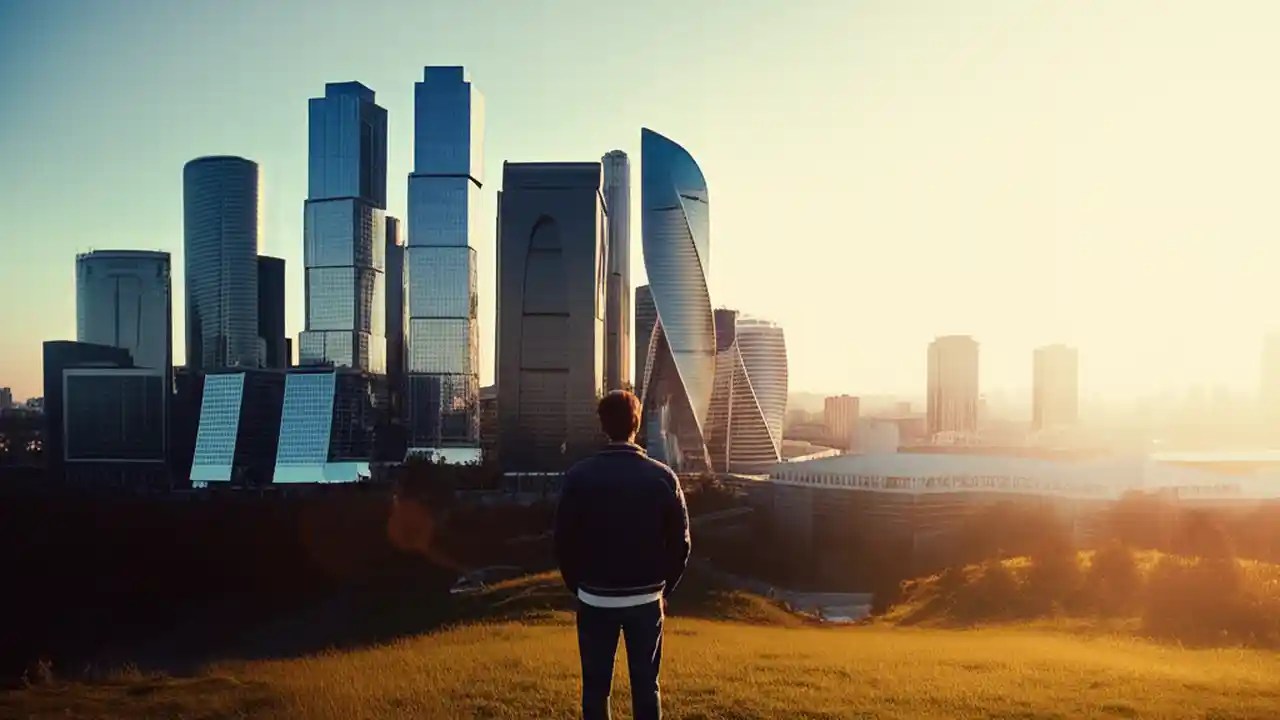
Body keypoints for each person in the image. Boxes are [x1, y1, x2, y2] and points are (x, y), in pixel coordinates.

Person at [554, 390, 692, 720]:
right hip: (645, 598)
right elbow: (681, 544)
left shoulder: (579, 476)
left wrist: (581, 587)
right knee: (647, 686)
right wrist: (663, 588)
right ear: (637, 423)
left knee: (595, 687)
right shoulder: (663, 477)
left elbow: (563, 541)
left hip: (595, 598)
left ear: (603, 425)